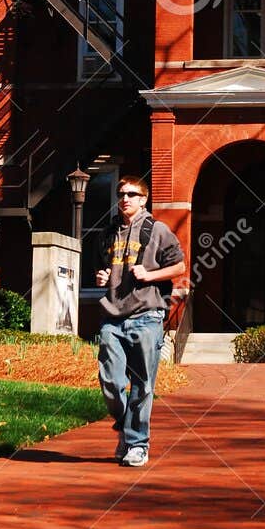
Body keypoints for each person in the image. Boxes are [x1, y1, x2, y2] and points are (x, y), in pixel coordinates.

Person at [95, 176, 186, 468]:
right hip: (113, 316)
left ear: (144, 199)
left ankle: (136, 444)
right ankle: (126, 425)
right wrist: (103, 277)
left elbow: (180, 265)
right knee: (110, 381)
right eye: (121, 194)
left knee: (143, 385)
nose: (125, 199)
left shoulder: (157, 230)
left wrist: (150, 275)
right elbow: (106, 268)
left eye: (132, 194)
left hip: (147, 317)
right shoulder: (109, 232)